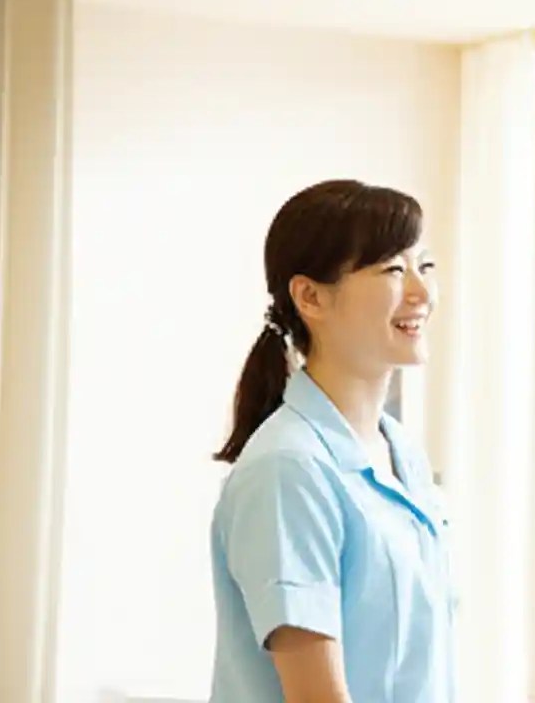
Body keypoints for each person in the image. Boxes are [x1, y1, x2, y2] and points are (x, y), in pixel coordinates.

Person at [208, 180, 454, 702]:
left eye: (425, 266)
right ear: (310, 296)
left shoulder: (402, 454)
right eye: (393, 269)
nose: (422, 292)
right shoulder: (288, 469)